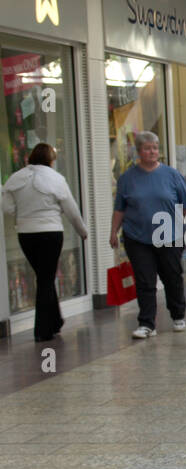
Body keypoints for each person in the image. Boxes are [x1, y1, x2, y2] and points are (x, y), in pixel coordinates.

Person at [109, 130, 186, 339]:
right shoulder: (127, 178)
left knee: (172, 277)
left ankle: (178, 315)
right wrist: (113, 232)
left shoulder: (172, 175)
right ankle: (147, 323)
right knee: (145, 280)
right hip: (137, 237)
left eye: (155, 148)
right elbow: (120, 208)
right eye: (147, 148)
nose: (152, 152)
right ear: (139, 152)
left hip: (169, 234)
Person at [1, 143, 88, 342]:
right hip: (50, 232)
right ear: (51, 160)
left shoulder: (16, 178)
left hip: (26, 234)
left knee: (44, 276)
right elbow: (71, 209)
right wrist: (82, 231)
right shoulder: (56, 179)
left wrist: (22, 215)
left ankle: (55, 320)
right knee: (46, 279)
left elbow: (6, 207)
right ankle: (42, 330)